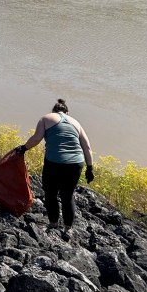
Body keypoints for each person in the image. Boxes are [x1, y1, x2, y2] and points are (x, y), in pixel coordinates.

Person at [11, 98, 94, 238]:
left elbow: (37, 138)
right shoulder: (76, 123)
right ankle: (68, 229)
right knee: (67, 196)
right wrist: (90, 168)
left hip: (54, 161)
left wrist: (23, 148)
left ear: (54, 111)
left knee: (51, 194)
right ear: (67, 112)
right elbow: (87, 147)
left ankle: (53, 224)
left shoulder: (46, 118)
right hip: (76, 163)